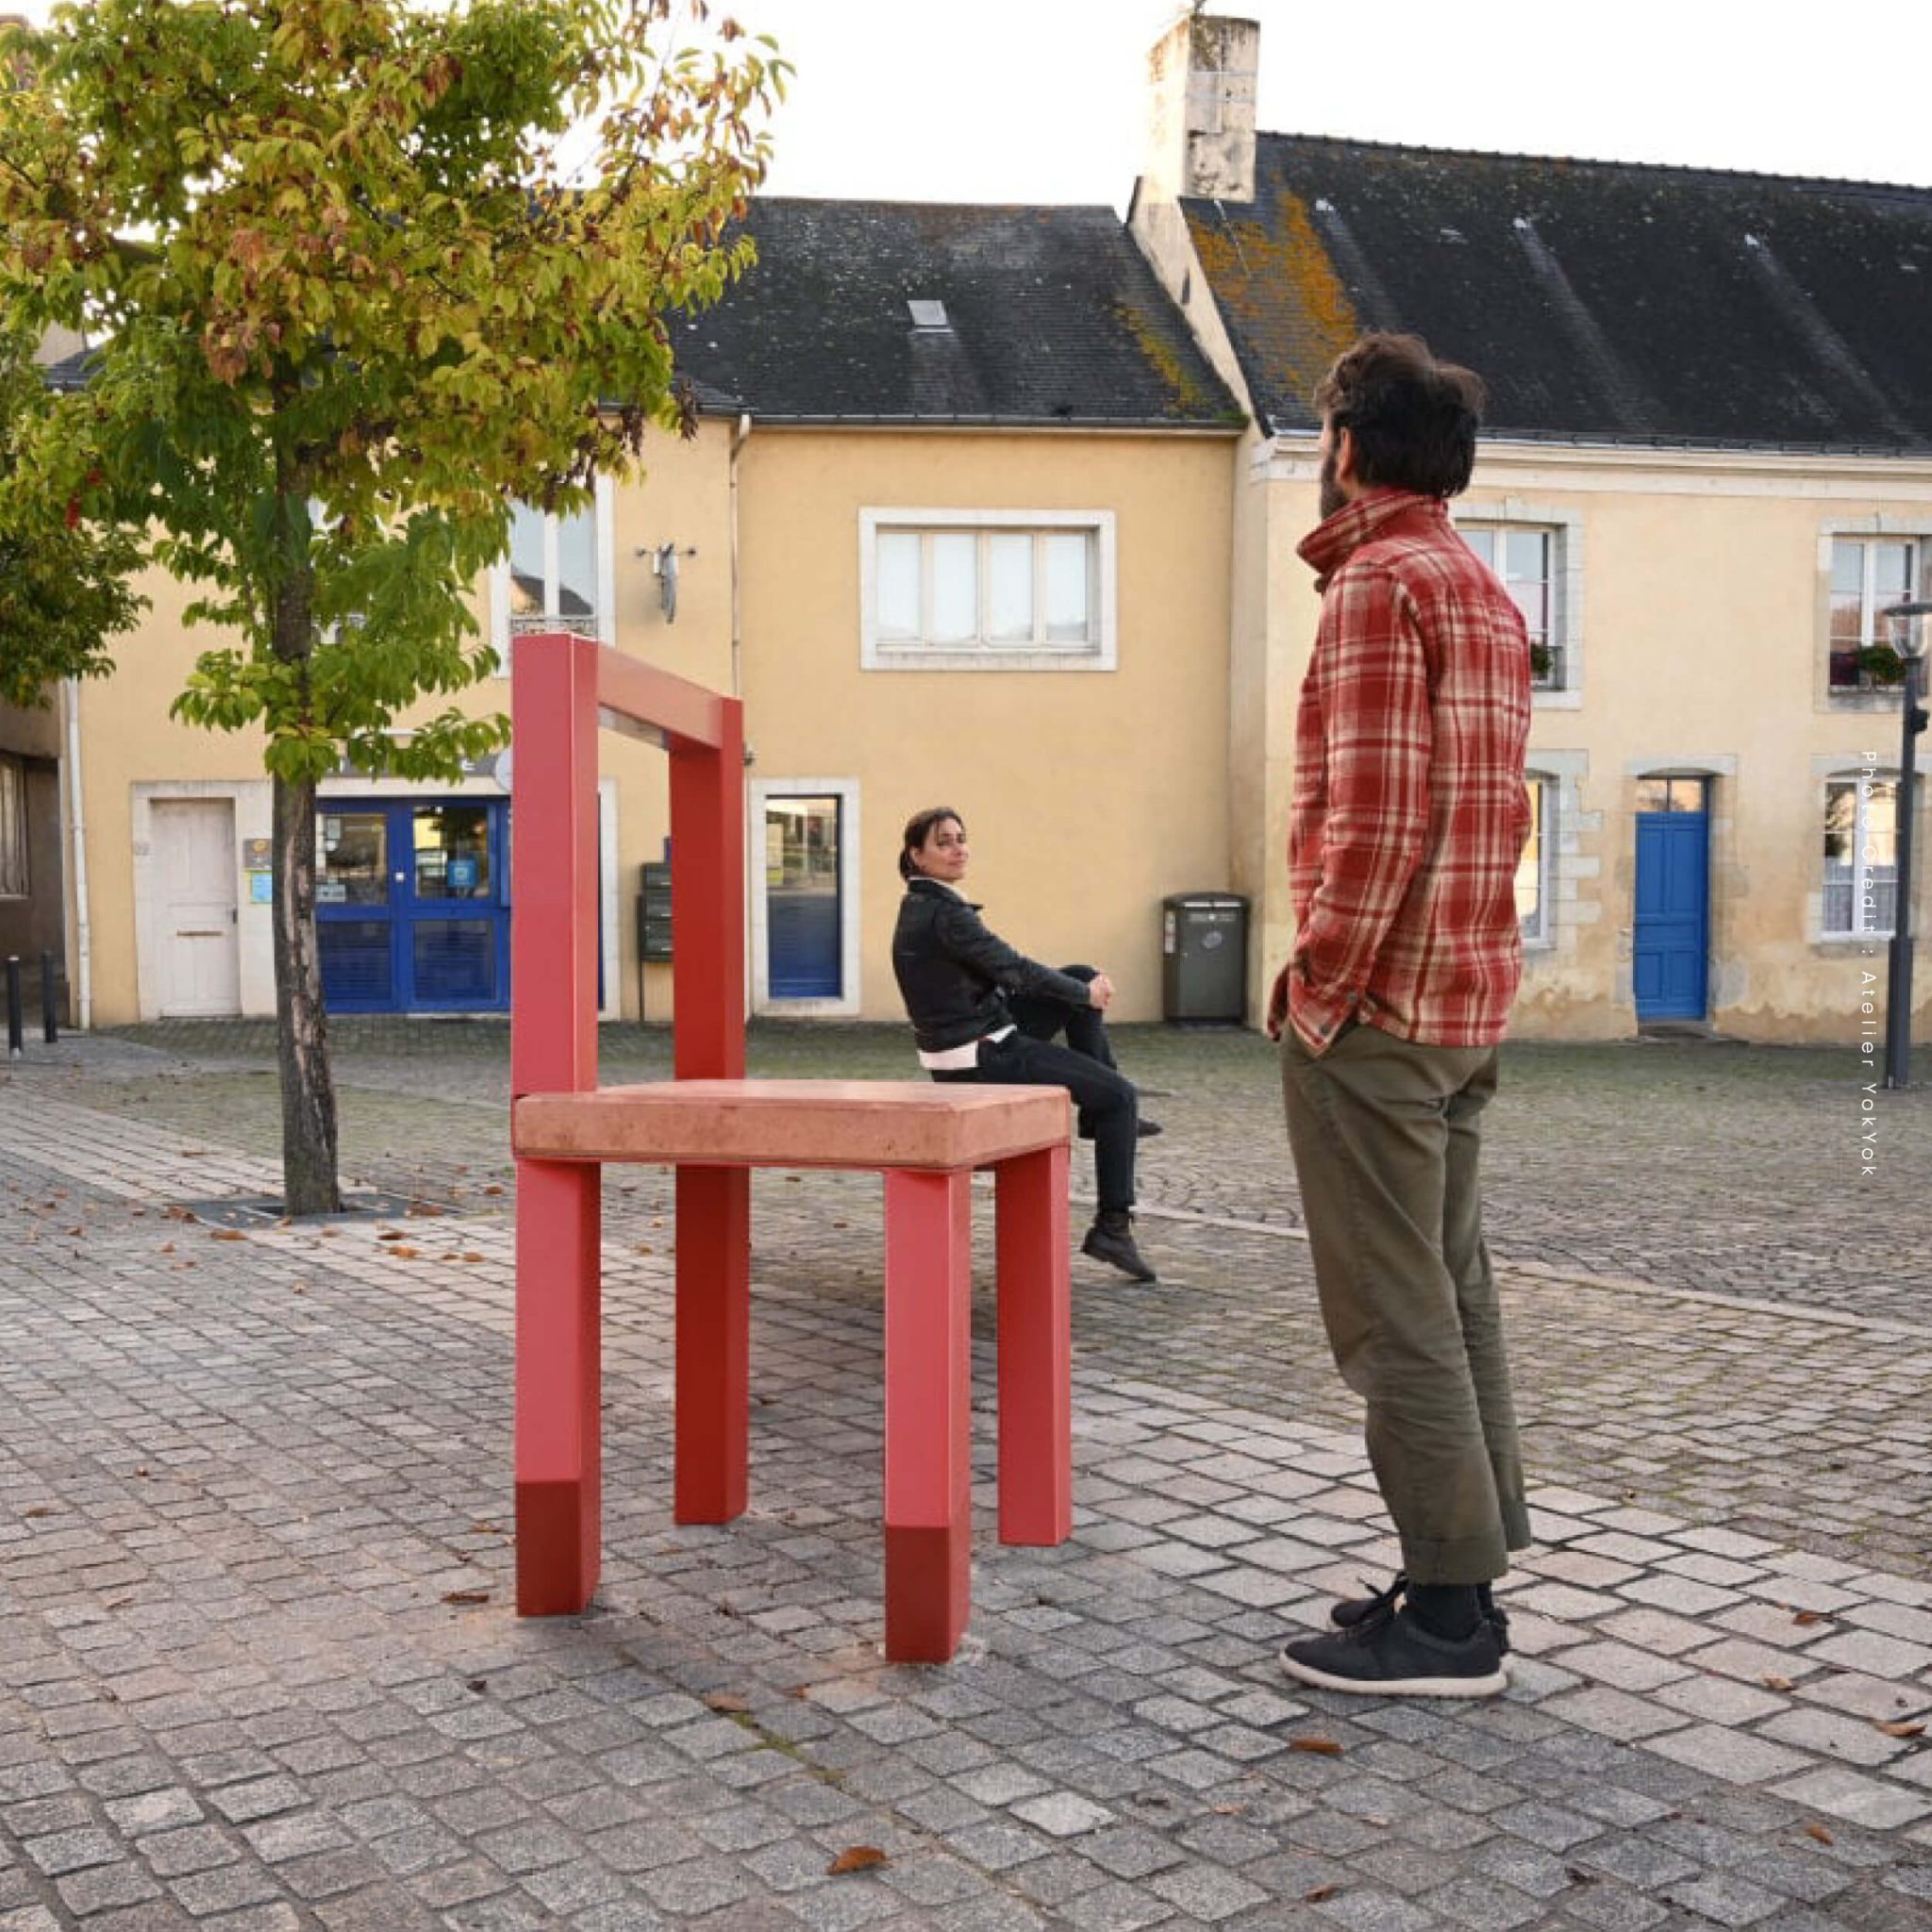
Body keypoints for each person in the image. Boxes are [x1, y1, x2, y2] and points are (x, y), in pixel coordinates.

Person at [1268, 332, 1534, 1699]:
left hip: (1380, 1005)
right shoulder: (1482, 589)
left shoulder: (1378, 586)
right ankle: (1465, 1570)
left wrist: (1316, 982)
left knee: (1394, 1313)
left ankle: (1444, 1620)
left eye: (1323, 440)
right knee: (1453, 1286)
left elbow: (1374, 824)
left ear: (1349, 450)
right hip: (1467, 997)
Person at [891, 807, 1158, 1283]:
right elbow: (1015, 969)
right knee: (1121, 1094)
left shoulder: (929, 906)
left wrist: (1078, 988)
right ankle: (1113, 1227)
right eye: (944, 842)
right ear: (918, 855)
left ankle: (1100, 1117)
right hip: (979, 1055)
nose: (958, 849)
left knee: (1077, 975)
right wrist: (1085, 995)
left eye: (961, 838)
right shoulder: (945, 916)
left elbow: (1010, 976)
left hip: (977, 1037)